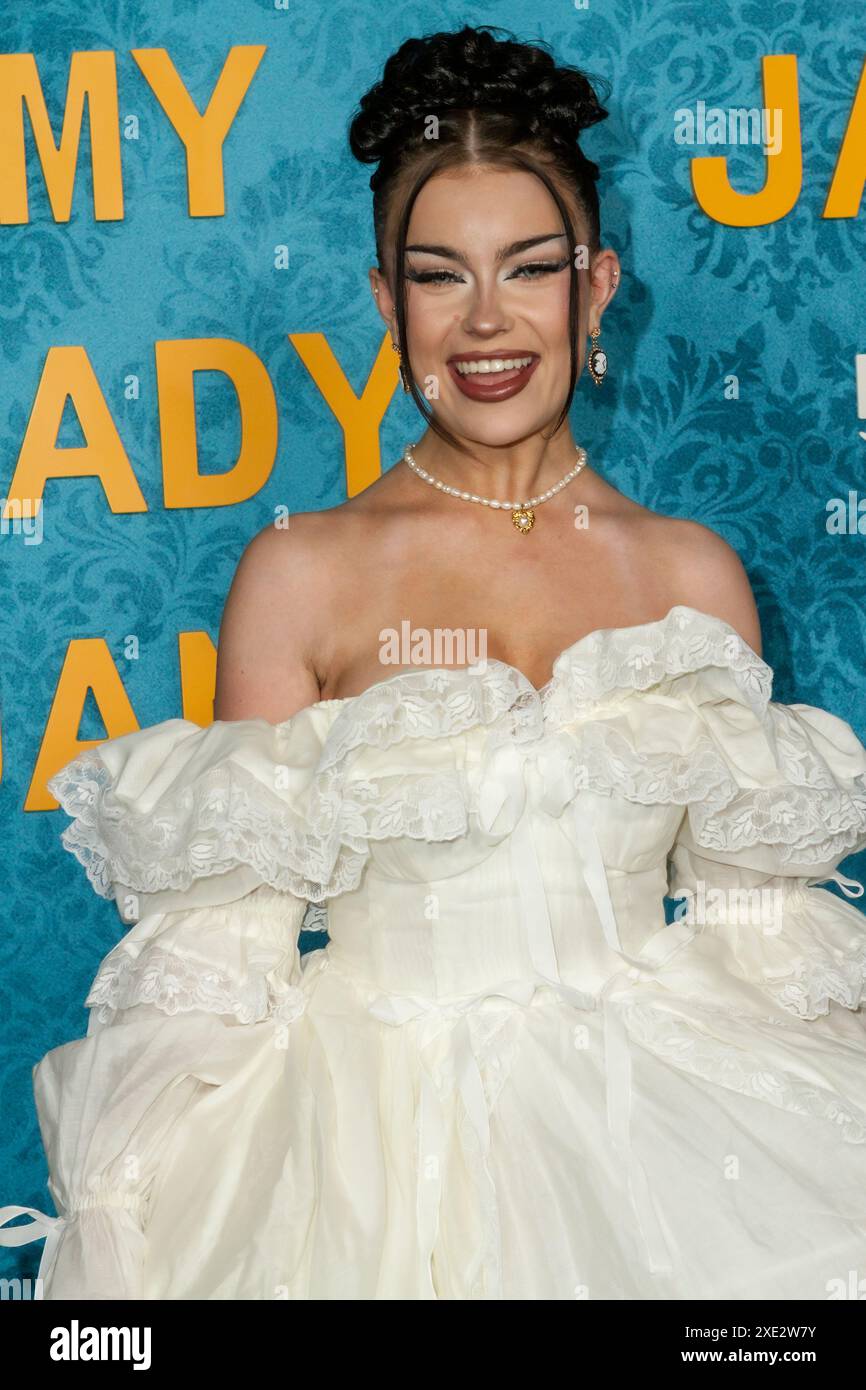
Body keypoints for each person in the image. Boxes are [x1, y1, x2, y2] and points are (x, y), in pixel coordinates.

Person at [2, 23, 866, 1301]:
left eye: (527, 268)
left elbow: (755, 924)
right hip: (370, 1184)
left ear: (598, 281)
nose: (484, 321)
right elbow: (219, 966)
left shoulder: (692, 578)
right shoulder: (302, 575)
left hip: (665, 1160)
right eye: (435, 275)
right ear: (381, 300)